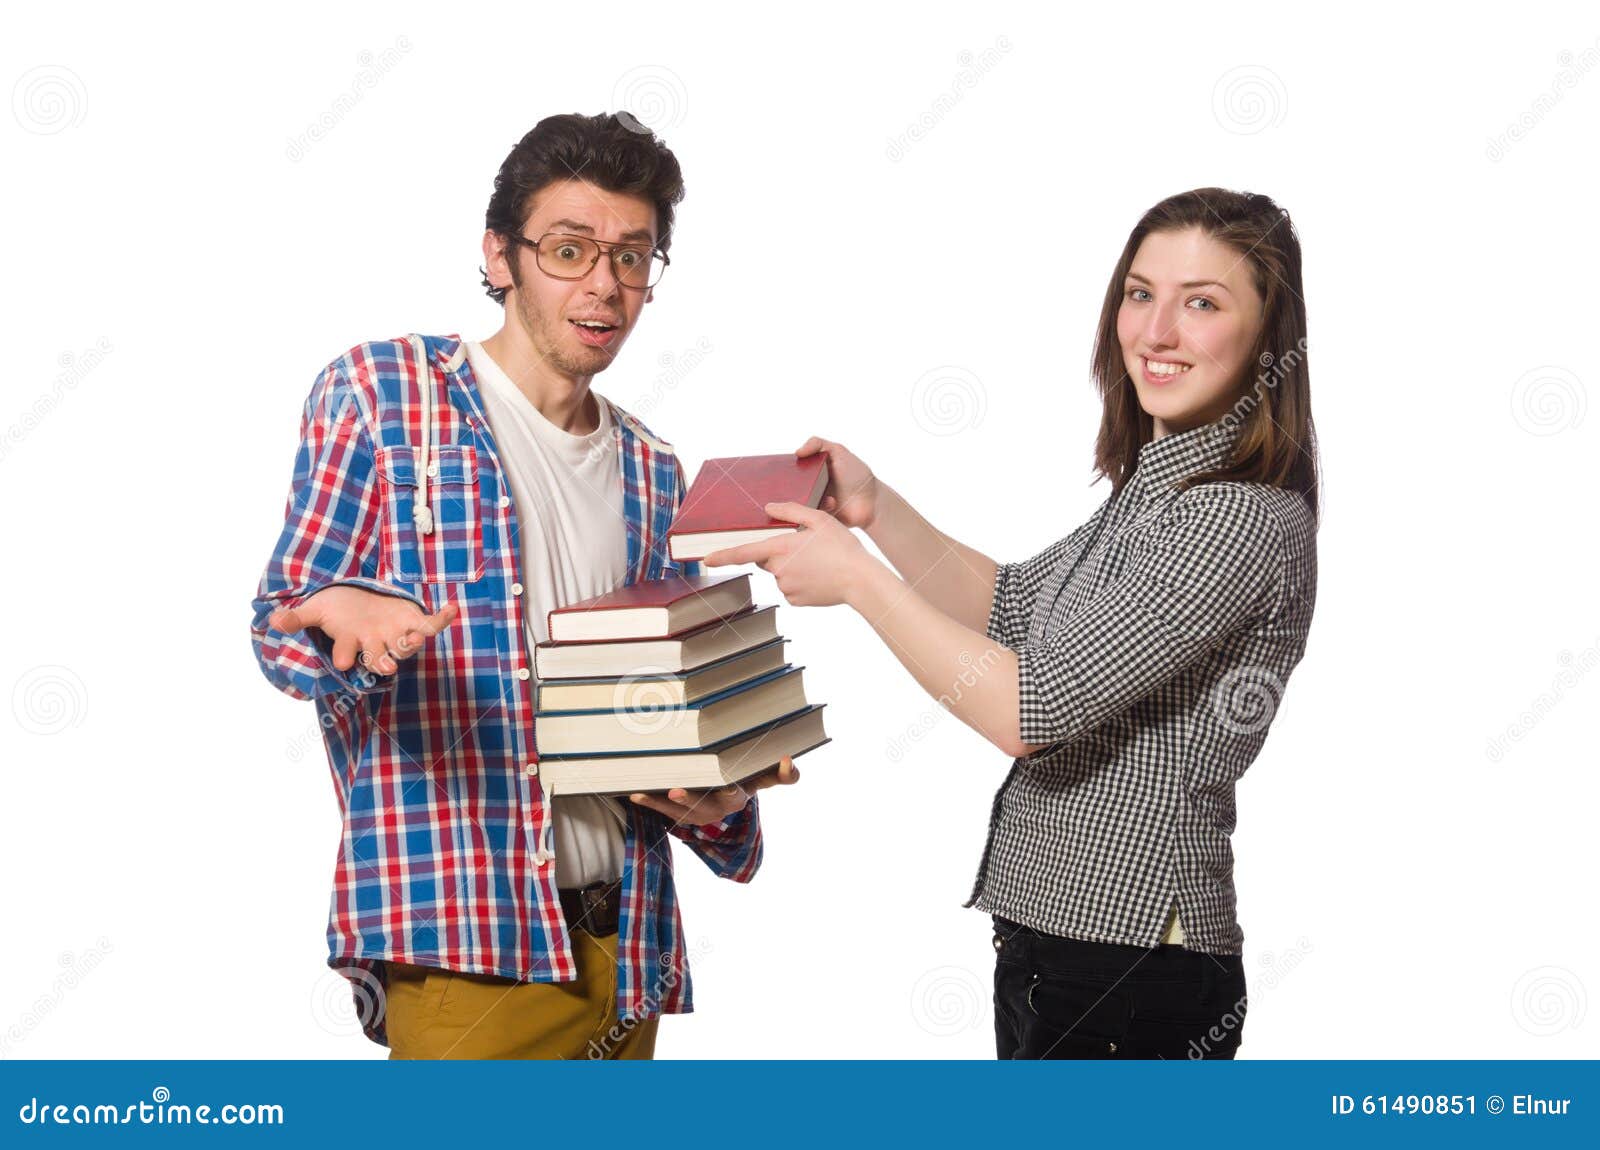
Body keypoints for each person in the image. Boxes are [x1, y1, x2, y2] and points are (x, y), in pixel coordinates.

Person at [707, 188, 1318, 1059]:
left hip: (1131, 966)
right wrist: (876, 511)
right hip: (1064, 951)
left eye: (1204, 303)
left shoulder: (1233, 518)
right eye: (1140, 294)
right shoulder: (1158, 490)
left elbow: (1033, 708)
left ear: (1268, 340)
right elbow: (1014, 607)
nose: (1156, 331)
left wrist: (855, 581)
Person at [250, 112, 797, 1060]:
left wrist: (724, 794)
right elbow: (281, 629)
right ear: (499, 255)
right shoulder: (386, 394)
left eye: (632, 258)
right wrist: (342, 618)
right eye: (569, 249)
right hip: (469, 955)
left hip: (626, 949)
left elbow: (665, 714)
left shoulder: (653, 471)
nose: (604, 286)